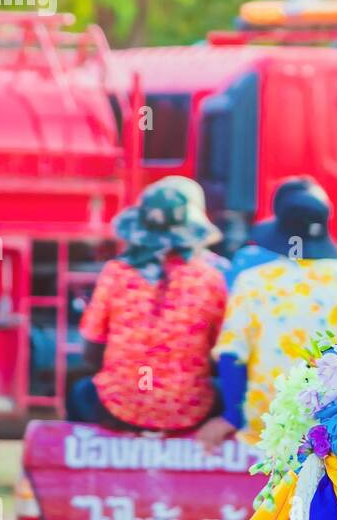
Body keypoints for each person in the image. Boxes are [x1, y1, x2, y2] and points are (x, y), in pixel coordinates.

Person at [199, 177, 337, 448]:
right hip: (335, 421)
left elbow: (232, 354)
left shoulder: (253, 280)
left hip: (269, 422)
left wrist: (231, 417)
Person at [69, 180, 228, 433]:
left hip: (118, 409)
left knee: (80, 392)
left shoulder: (116, 273)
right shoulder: (210, 279)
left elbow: (91, 352)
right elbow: (220, 353)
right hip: (190, 411)